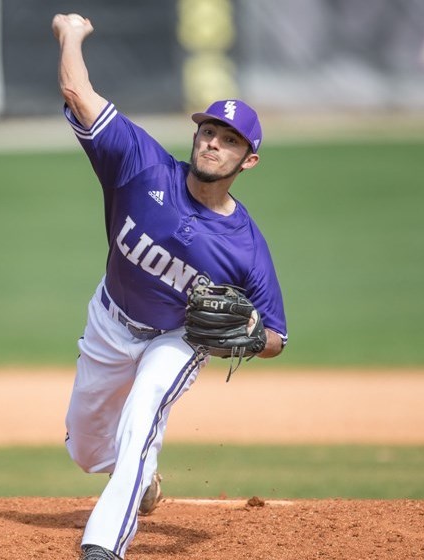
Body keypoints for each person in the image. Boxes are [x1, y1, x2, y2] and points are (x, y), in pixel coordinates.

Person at [52, 13, 288, 560]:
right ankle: (142, 482)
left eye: (229, 141)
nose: (213, 144)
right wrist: (71, 34)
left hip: (176, 338)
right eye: (208, 131)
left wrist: (251, 334)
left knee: (141, 417)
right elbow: (76, 90)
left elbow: (277, 336)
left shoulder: (246, 248)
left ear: (248, 160)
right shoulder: (140, 166)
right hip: (108, 321)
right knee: (88, 450)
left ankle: (103, 545)